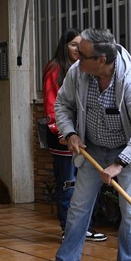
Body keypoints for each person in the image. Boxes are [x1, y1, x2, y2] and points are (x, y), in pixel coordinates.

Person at [37, 28, 131, 261]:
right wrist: (69, 133)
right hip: (91, 148)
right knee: (78, 208)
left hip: (126, 152)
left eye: (83, 55)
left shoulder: (130, 81)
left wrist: (120, 163)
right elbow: (62, 105)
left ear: (101, 60)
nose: (77, 59)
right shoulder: (78, 73)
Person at [42, 30, 107, 243]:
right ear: (64, 46)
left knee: (84, 183)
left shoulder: (84, 70)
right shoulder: (56, 68)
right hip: (62, 135)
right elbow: (53, 105)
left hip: (82, 134)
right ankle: (68, 229)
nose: (77, 50)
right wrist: (63, 132)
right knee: (67, 183)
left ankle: (83, 227)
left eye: (80, 46)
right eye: (72, 45)